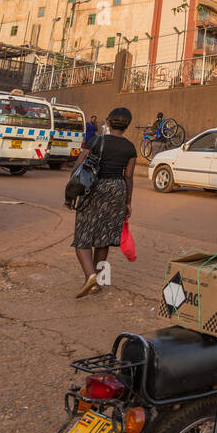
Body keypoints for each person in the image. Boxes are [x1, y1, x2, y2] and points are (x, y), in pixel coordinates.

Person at [67, 107, 135, 298]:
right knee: (103, 239)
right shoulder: (130, 147)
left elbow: (79, 166)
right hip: (117, 191)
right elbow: (128, 177)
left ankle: (90, 277)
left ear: (109, 122)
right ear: (127, 126)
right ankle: (96, 281)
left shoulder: (96, 140)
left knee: (83, 237)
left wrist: (71, 194)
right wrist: (128, 202)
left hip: (94, 188)